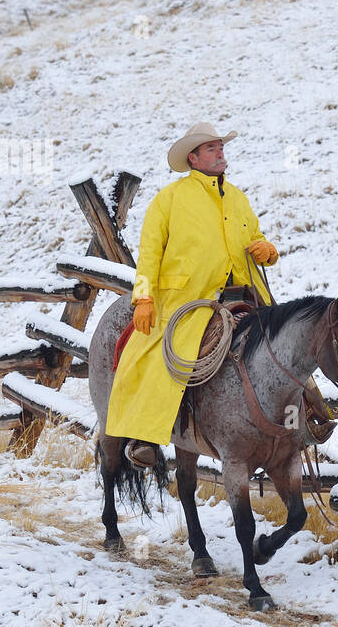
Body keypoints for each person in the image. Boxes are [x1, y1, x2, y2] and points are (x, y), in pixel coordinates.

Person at [105, 122, 280, 467]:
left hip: (244, 292)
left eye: (221, 147)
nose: (220, 153)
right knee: (155, 355)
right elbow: (149, 254)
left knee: (289, 340)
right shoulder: (169, 199)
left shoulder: (238, 198)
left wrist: (267, 250)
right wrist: (143, 299)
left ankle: (308, 414)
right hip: (188, 299)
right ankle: (144, 437)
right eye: (212, 148)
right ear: (194, 157)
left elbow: (257, 238)